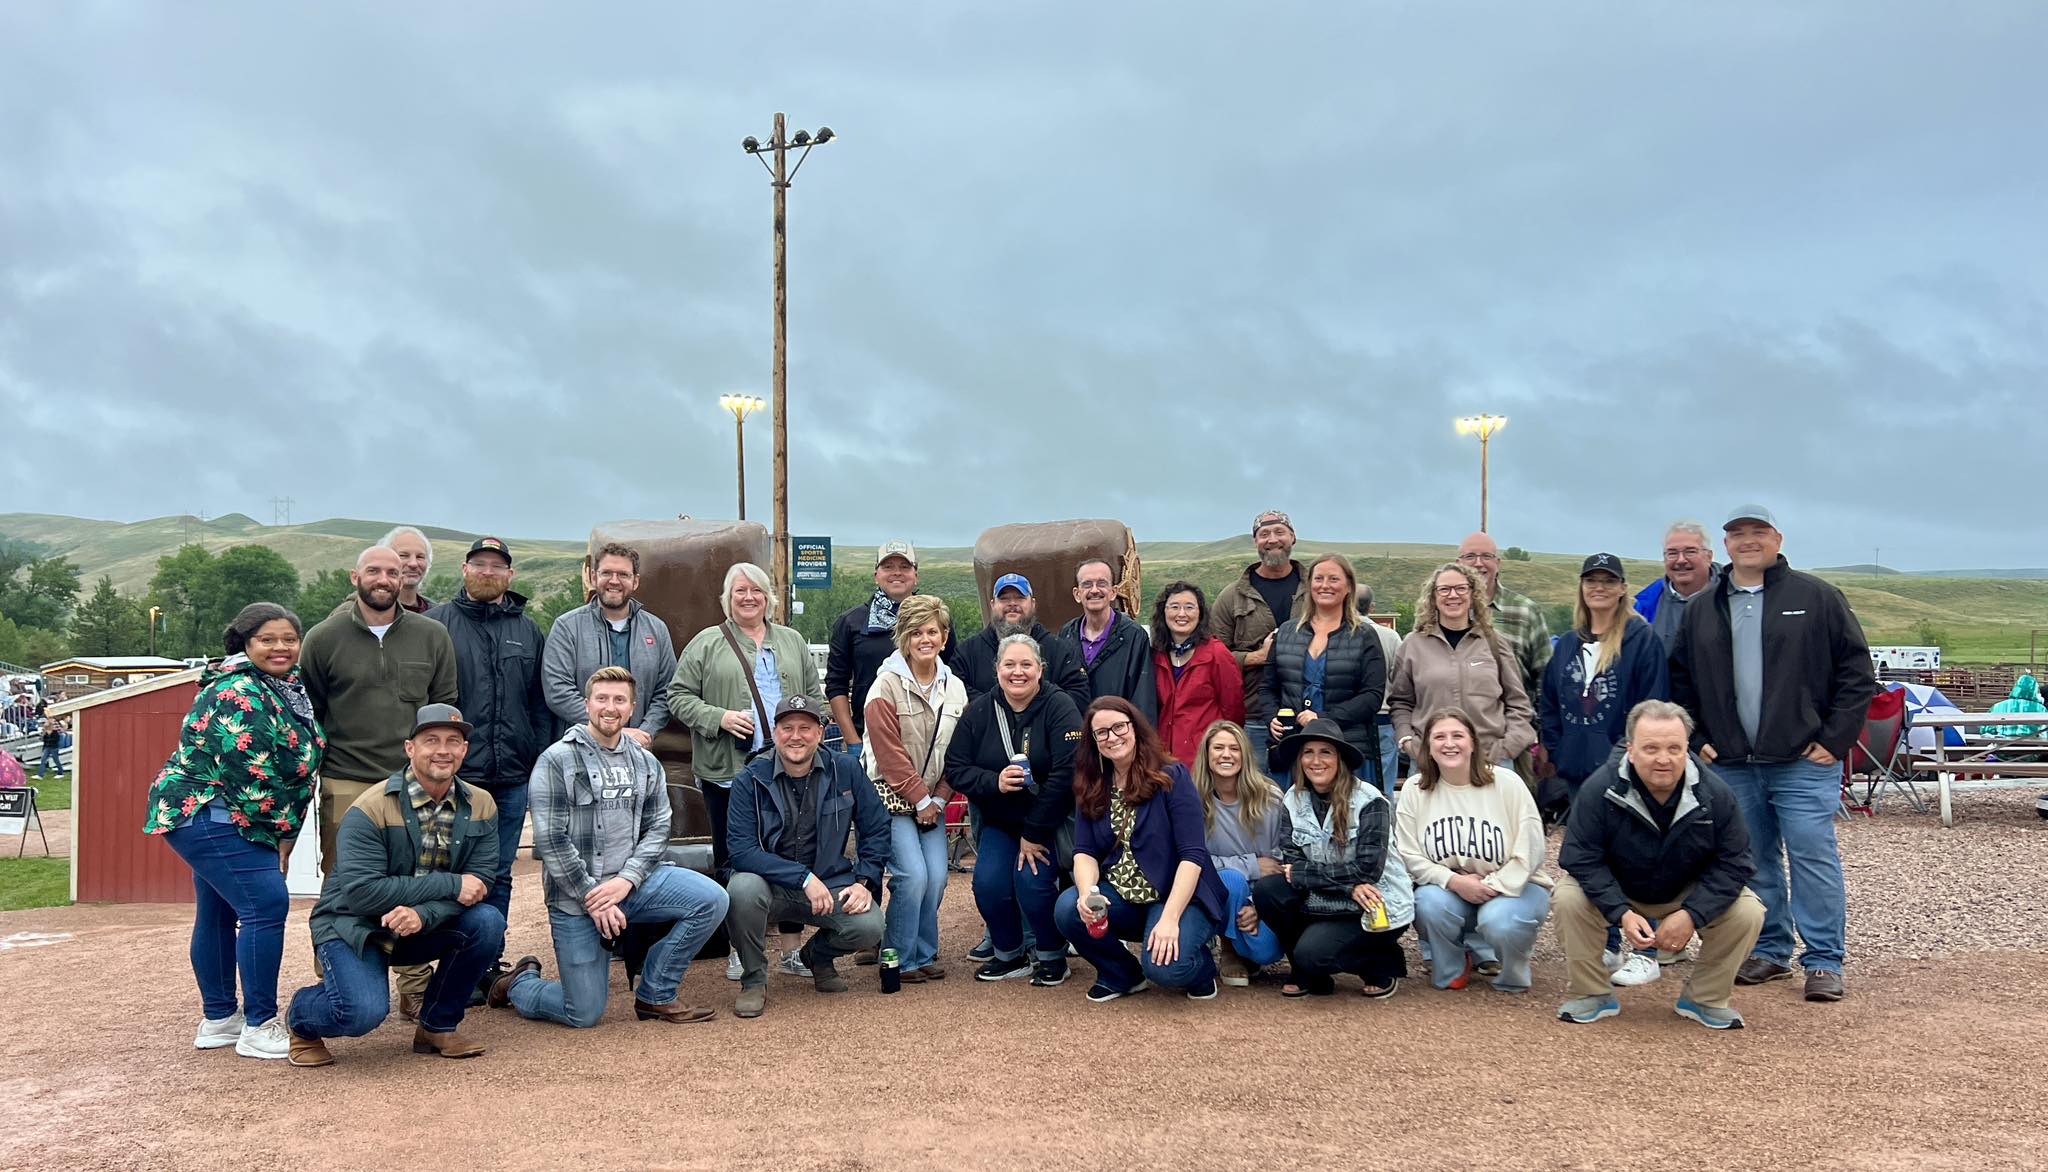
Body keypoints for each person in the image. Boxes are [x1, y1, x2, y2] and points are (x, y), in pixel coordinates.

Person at [1670, 505, 1875, 1004]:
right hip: (1734, 763)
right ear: (1725, 546)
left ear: (1777, 539)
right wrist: (1697, 741)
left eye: (1758, 532)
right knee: (1754, 860)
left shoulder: (1817, 597)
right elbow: (1681, 682)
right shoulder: (1703, 607)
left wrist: (1834, 740)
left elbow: (1856, 674)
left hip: (1803, 761)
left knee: (1812, 855)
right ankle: (1770, 949)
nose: (1748, 541)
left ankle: (1824, 960)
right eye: (1738, 534)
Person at [142, 603, 326, 1060]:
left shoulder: (283, 686)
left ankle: (221, 1019)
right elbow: (255, 776)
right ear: (246, 644)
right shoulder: (238, 691)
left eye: (288, 638)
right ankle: (260, 1025)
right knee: (266, 904)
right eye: (268, 640)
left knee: (220, 912)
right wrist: (284, 836)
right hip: (216, 813)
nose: (280, 647)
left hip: (223, 815)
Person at [498, 667, 728, 1028]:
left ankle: (656, 994)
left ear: (632, 708)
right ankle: (519, 983)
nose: (610, 707)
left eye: (619, 700)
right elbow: (552, 840)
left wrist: (627, 881)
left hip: (633, 885)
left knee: (712, 899)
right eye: (602, 698)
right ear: (587, 703)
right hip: (576, 898)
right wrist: (595, 897)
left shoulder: (646, 762)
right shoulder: (556, 760)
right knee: (583, 1013)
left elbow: (658, 828)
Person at [284, 704, 505, 1067]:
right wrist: (450, 884)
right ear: (410, 749)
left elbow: (479, 883)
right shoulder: (370, 807)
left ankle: (437, 1026)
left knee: (487, 922)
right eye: (430, 740)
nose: (443, 750)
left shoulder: (481, 804)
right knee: (361, 1014)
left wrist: (423, 913)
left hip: (420, 925)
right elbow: (362, 892)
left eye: (453, 741)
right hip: (354, 926)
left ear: (465, 750)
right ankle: (302, 1016)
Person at [299, 545, 461, 1020]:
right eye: (375, 570)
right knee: (344, 883)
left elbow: (445, 705)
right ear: (356, 577)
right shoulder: (323, 638)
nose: (385, 578)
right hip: (346, 779)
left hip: (414, 779)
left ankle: (414, 987)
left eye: (393, 571)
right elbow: (313, 713)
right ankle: (334, 977)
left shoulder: (432, 636)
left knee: (419, 876)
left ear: (405, 579)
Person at [1555, 701, 1767, 1030]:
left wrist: (1692, 914)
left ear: (1687, 749)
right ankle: (1592, 993)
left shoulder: (1716, 794)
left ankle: (1705, 999)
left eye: (1674, 748)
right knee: (1568, 897)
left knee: (1748, 911)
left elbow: (1736, 864)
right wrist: (1620, 912)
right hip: (1621, 887)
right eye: (1651, 748)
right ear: (1631, 749)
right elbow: (1579, 857)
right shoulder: (1600, 789)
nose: (1663, 759)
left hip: (1686, 890)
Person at [669, 562, 826, 979]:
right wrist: (717, 717)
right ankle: (742, 947)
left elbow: (813, 695)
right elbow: (678, 696)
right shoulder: (706, 643)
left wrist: (811, 738)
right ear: (728, 597)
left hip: (788, 766)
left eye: (756, 590)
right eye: (740, 590)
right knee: (734, 857)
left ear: (768, 596)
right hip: (729, 770)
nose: (748, 597)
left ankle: (792, 950)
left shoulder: (791, 640)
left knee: (793, 851)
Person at [426, 536, 550, 985]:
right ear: (464, 569)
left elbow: (539, 702)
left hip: (512, 776)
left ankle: (484, 964)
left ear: (510, 576)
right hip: (456, 777)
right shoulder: (436, 624)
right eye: (479, 564)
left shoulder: (527, 630)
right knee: (448, 870)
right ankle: (446, 962)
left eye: (497, 567)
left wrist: (535, 752)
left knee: (498, 874)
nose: (488, 572)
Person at [724, 695, 889, 1019]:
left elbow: (877, 827)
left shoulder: (846, 769)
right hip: (770, 885)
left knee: (871, 926)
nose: (795, 736)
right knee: (741, 890)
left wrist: (865, 880)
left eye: (805, 728)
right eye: (787, 728)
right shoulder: (750, 779)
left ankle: (817, 957)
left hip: (830, 882)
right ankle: (754, 979)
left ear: (821, 732)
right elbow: (741, 851)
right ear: (775, 732)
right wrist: (802, 877)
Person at [1056, 697, 1231, 1002]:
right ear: (1094, 741)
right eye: (1102, 732)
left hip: (1178, 896)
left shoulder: (1172, 776)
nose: (1112, 737)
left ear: (1135, 728)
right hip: (1126, 896)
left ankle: (1201, 966)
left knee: (1167, 970)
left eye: (1119, 727)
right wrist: (1087, 894)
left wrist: (1170, 919)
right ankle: (1122, 974)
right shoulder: (1092, 782)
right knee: (1068, 908)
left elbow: (1193, 855)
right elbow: (1084, 851)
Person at [944, 633, 1082, 986]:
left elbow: (1068, 773)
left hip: (1049, 822)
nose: (1017, 672)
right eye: (1009, 664)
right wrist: (994, 782)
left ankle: (1051, 954)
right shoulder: (979, 710)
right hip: (1001, 821)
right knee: (988, 885)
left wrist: (1034, 832)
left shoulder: (1060, 705)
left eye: (1026, 664)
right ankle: (1009, 953)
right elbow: (956, 766)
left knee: (1032, 882)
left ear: (1040, 669)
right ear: (997, 669)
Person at [1395, 708, 1553, 993]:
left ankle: (1513, 972)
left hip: (1516, 888)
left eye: (1458, 735)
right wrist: (1454, 881)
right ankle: (1452, 966)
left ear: (1473, 743)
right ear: (1429, 748)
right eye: (1439, 737)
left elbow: (1531, 849)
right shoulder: (1414, 790)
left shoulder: (1506, 783)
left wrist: (1492, 884)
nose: (1449, 743)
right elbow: (1408, 855)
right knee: (1426, 903)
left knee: (1499, 921)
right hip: (1453, 890)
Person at [1251, 718, 1411, 998]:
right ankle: (1308, 972)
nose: (1316, 761)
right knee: (1268, 890)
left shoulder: (1370, 801)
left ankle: (1382, 960)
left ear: (1341, 759)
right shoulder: (1293, 800)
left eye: (1325, 752)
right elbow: (1291, 862)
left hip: (1374, 904)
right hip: (1331, 897)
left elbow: (1368, 871)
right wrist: (1347, 884)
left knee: (1313, 953)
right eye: (1308, 753)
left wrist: (1310, 876)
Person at [862, 594, 968, 983]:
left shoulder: (955, 689)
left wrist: (939, 797)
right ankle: (899, 955)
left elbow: (958, 752)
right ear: (904, 638)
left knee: (938, 876)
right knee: (911, 875)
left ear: (944, 637)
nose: (926, 639)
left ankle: (924, 952)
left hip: (933, 801)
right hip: (889, 798)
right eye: (917, 632)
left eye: (933, 631)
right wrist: (921, 799)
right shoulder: (884, 688)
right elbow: (889, 756)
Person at [1538, 554, 1670, 813]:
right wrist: (1558, 749)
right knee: (1588, 847)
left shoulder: (1642, 641)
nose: (1599, 587)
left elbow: (1653, 705)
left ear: (1622, 588)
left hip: (1628, 773)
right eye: (1591, 581)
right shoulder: (1566, 644)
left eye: (1609, 581)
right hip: (1576, 770)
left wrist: (1627, 755)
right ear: (1582, 587)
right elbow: (1550, 701)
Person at [1388, 562, 1537, 774]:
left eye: (1461, 588)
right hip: (1431, 763)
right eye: (1444, 589)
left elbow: (1518, 703)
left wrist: (1507, 748)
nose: (1453, 595)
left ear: (1473, 594)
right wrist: (1409, 743)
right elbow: (1401, 702)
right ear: (1433, 597)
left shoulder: (1495, 643)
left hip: (1490, 762)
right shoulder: (1413, 645)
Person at [1265, 554, 1386, 790]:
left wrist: (1323, 719)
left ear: (1349, 586)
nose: (1325, 585)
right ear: (1309, 585)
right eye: (1319, 578)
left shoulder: (1364, 636)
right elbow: (1268, 687)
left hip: (1346, 749)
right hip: (1293, 749)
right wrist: (1272, 717)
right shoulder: (1287, 632)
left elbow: (1372, 696)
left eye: (1333, 579)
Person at [542, 542, 678, 744]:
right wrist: (610, 729)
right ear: (594, 577)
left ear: (635, 581)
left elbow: (666, 690)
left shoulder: (656, 629)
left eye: (623, 574)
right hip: (581, 747)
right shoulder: (567, 627)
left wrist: (644, 733)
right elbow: (558, 690)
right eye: (607, 573)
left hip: (639, 749)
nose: (614, 581)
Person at [1210, 510, 1310, 768]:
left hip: (1310, 713)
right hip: (1253, 714)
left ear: (1293, 537)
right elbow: (1212, 657)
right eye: (1264, 534)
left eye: (1280, 532)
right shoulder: (1231, 597)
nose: (1272, 539)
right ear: (1255, 541)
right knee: (1257, 797)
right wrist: (1257, 658)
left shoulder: (1315, 591)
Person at [1189, 720, 1285, 986]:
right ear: (1207, 755)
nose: (1226, 755)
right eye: (1218, 747)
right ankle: (1229, 949)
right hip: (1220, 888)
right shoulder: (1192, 799)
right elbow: (1195, 861)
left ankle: (1247, 950)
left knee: (1266, 952)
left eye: (1234, 748)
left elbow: (1277, 863)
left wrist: (1258, 905)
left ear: (1245, 754)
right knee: (1230, 880)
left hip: (1262, 894)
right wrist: (1251, 865)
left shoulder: (1269, 797)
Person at [826, 540, 925, 751]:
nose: (896, 573)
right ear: (876, 575)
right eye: (888, 567)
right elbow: (836, 684)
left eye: (904, 567)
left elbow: (951, 676)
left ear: (916, 576)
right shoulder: (851, 622)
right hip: (868, 738)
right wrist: (853, 740)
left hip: (925, 739)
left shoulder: (934, 620)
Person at [951, 573, 1091, 712]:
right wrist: (999, 710)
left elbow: (1079, 695)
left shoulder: (1060, 650)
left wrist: (1033, 711)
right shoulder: (967, 652)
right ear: (993, 605)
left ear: (1033, 603)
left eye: (1020, 598)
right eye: (1004, 598)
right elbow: (955, 692)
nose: (1012, 604)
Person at [1149, 581, 1244, 766]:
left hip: (1203, 759)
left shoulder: (1217, 654)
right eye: (1174, 607)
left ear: (1200, 613)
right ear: (1163, 612)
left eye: (1189, 607)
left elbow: (1233, 711)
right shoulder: (1156, 654)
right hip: (1163, 758)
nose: (1181, 614)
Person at [1056, 559, 1156, 723]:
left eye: (1102, 583)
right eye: (1087, 584)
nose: (1095, 590)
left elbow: (1143, 699)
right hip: (1077, 740)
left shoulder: (1134, 637)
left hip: (1117, 738)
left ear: (1113, 592)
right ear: (1077, 594)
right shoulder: (1066, 635)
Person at [1633, 521, 1723, 649]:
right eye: (1672, 553)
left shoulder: (1731, 596)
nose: (1681, 560)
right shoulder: (1647, 604)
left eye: (1690, 551)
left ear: (1709, 557)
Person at [1356, 583, 1405, 797]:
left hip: (1348, 722)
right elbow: (1400, 679)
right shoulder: (1390, 636)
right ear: (1372, 608)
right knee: (1383, 789)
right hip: (1383, 720)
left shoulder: (1334, 633)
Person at [379, 525, 439, 614]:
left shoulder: (440, 615)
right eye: (403, 555)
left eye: (420, 557)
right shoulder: (366, 611)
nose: (413, 564)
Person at [38, 714, 67, 778]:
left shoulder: (55, 733)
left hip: (54, 747)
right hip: (47, 747)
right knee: (43, 760)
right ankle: (40, 775)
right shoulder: (46, 733)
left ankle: (60, 773)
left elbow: (56, 739)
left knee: (56, 760)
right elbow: (43, 740)